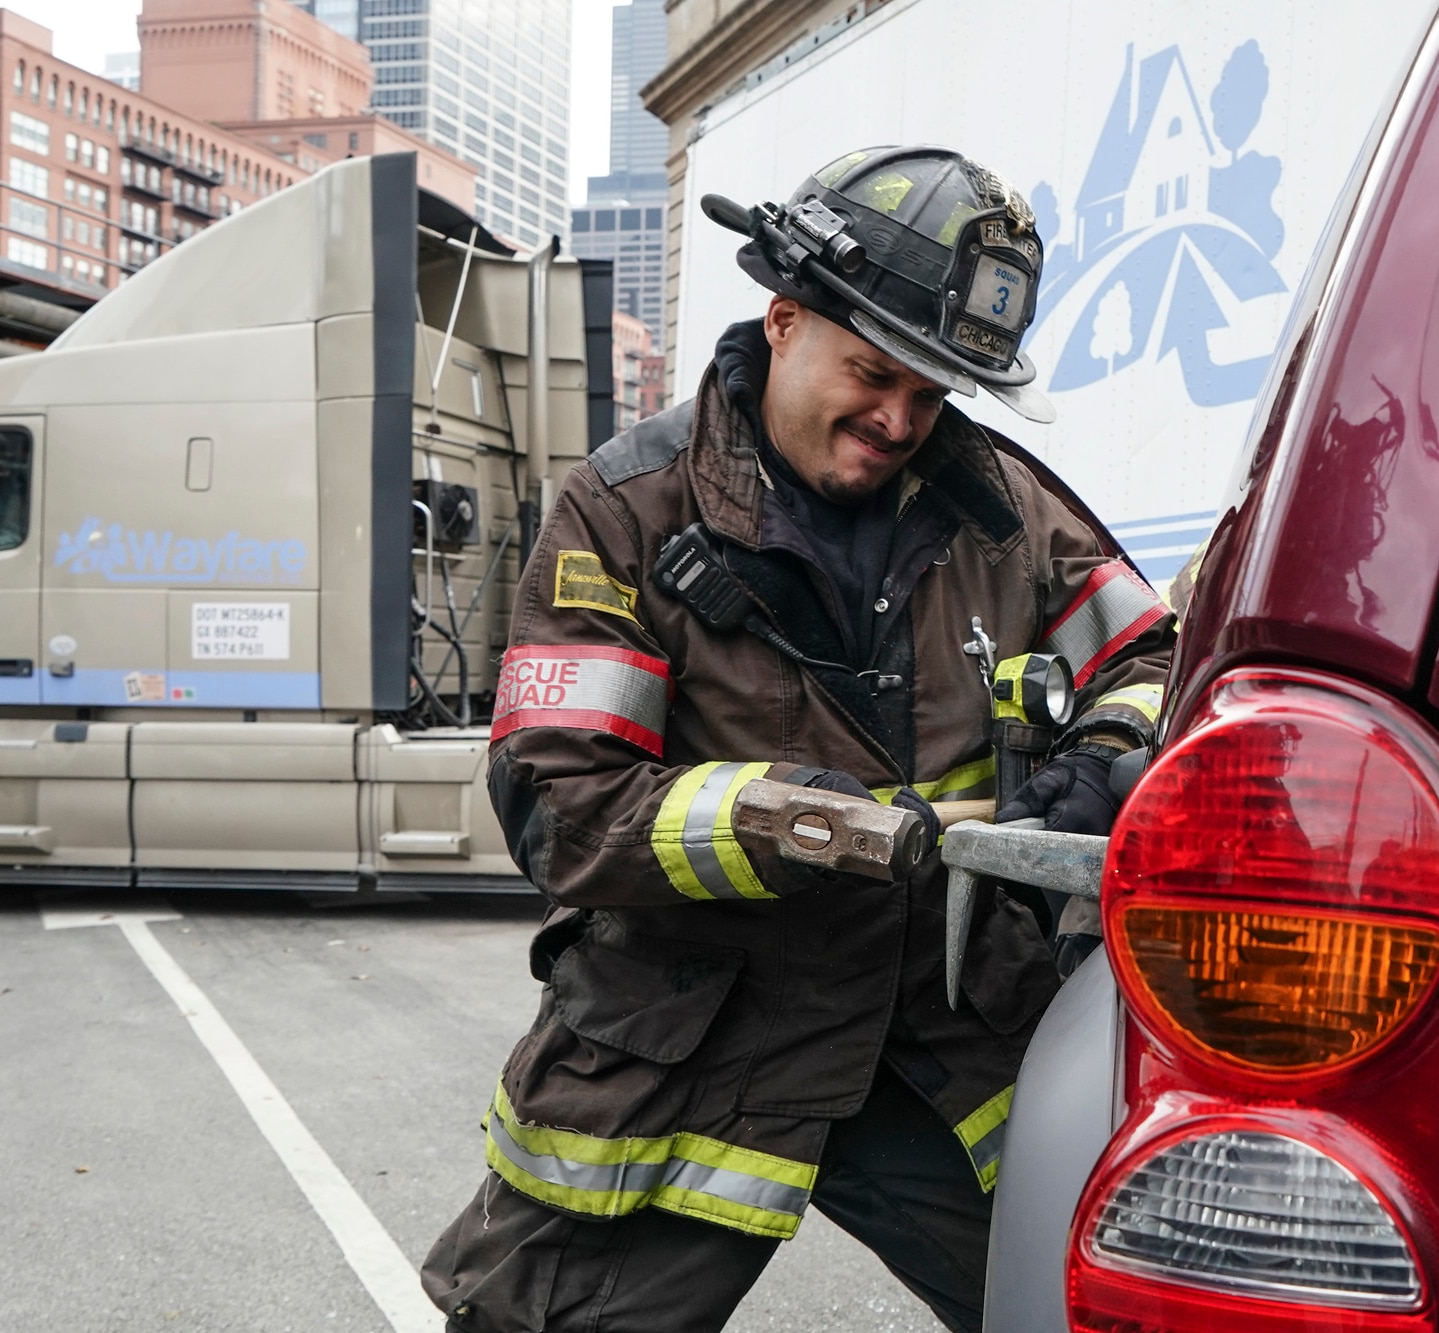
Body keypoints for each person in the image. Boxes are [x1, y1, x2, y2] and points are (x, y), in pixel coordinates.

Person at [422, 146, 1174, 1333]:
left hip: (945, 1030)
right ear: (782, 319)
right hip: (699, 1031)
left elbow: (1151, 656)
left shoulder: (1000, 507)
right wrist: (779, 818)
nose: (898, 421)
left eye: (930, 395)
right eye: (873, 374)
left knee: (1095, 1308)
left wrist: (1104, 765)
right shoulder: (623, 513)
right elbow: (556, 799)